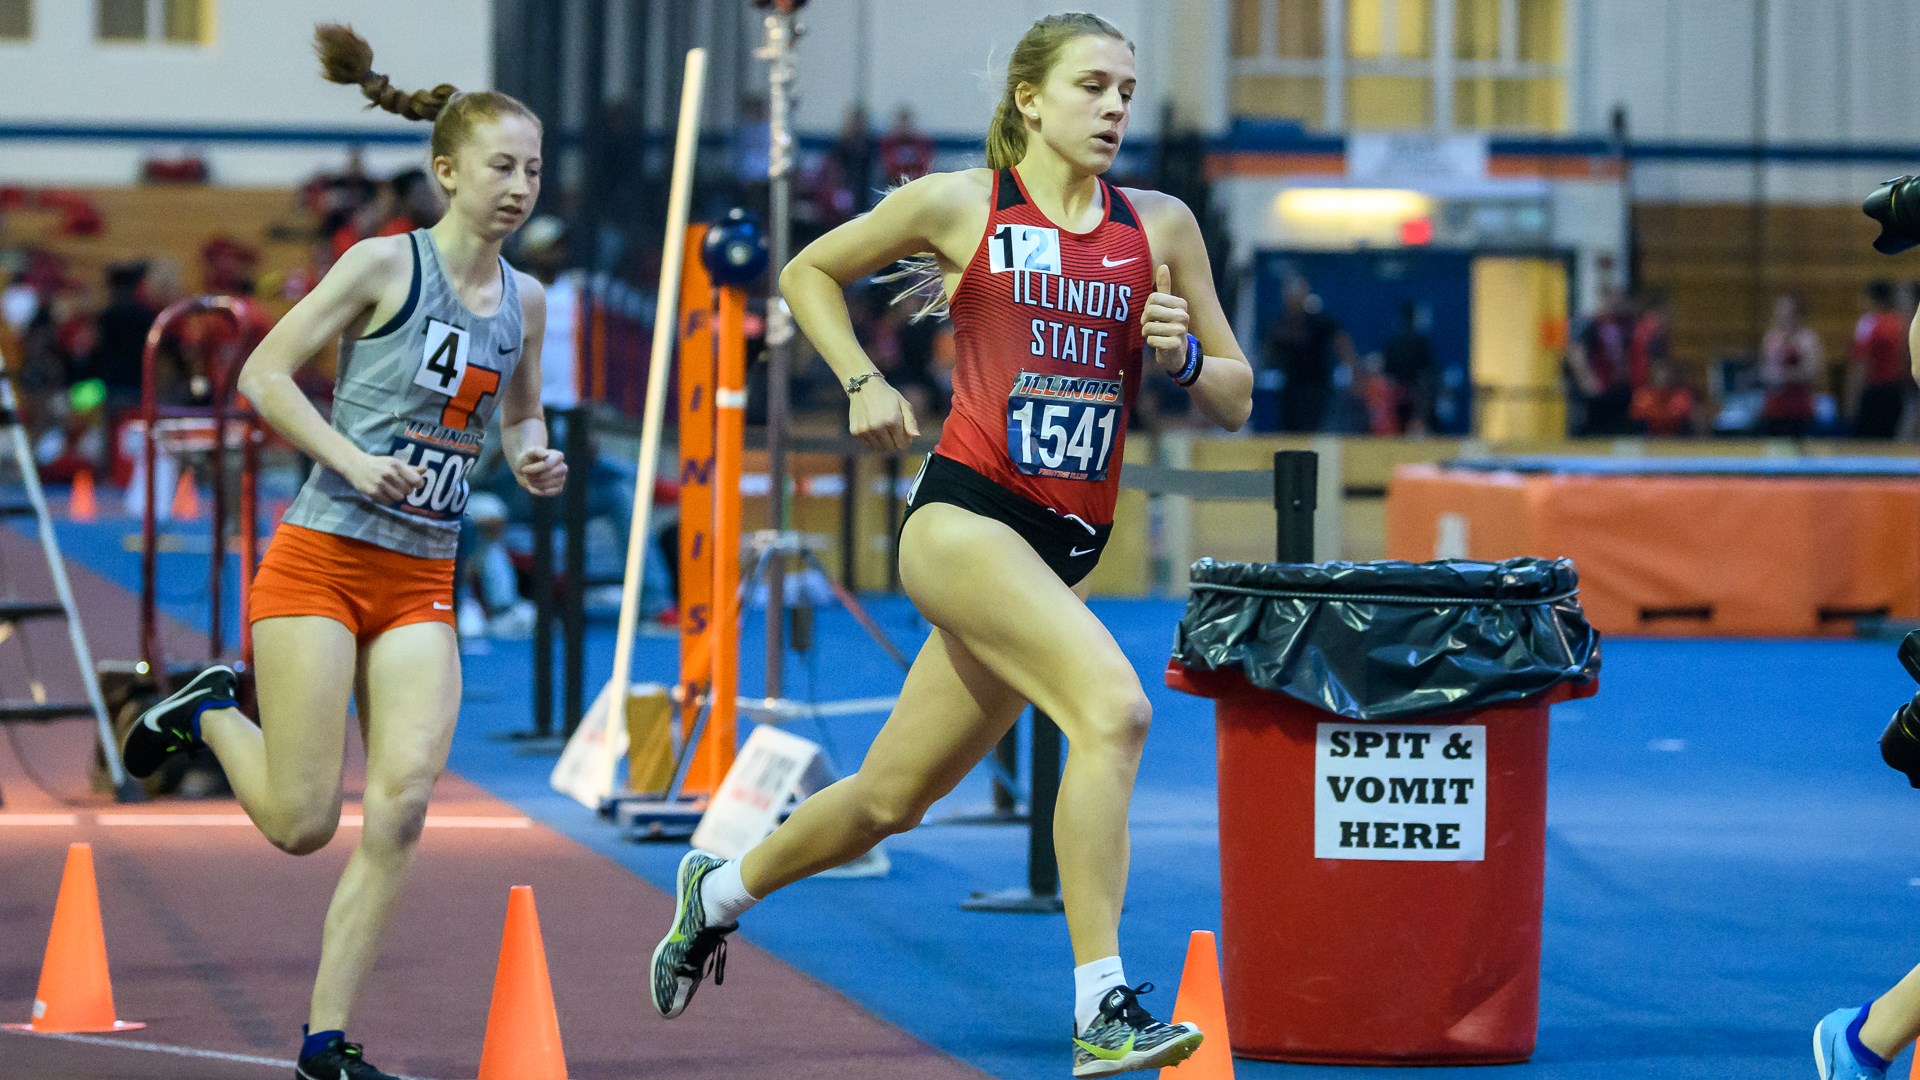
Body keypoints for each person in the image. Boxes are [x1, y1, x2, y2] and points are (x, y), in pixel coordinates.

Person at [647, 14, 1253, 1077]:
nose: (1116, 108)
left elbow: (1238, 399)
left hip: (1058, 552)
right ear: (1030, 99)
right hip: (963, 522)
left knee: (890, 800)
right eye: (1092, 87)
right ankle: (1103, 1005)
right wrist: (864, 381)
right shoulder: (962, 203)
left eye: (1127, 88)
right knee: (1113, 711)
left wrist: (1189, 358)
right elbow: (805, 273)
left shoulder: (1159, 226)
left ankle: (719, 892)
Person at [115, 25, 563, 1080]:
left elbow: (520, 421)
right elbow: (263, 378)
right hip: (322, 556)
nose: (520, 187)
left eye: (534, 170)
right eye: (501, 166)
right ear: (446, 171)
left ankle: (326, 1039)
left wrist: (534, 459)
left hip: (421, 579)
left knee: (402, 804)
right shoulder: (382, 265)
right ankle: (209, 711)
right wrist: (354, 463)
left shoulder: (531, 303)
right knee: (302, 821)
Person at [1264, 274, 1352, 433]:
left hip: (1318, 389)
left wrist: (1354, 372)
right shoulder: (1280, 324)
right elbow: (1268, 353)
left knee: (1316, 429)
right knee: (1291, 432)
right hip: (1291, 391)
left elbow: (1342, 345)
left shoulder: (1320, 323)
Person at [1566, 282, 1634, 436]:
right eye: (1610, 299)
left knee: (1617, 431)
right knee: (1594, 432)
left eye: (1617, 299)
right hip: (1597, 387)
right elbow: (1576, 351)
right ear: (1602, 300)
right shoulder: (1591, 323)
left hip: (1617, 387)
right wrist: (1586, 378)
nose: (1614, 303)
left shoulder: (1623, 324)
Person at [1849, 280, 1908, 439]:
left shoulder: (1869, 322)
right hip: (1895, 392)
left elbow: (1862, 363)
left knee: (1867, 444)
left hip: (1875, 393)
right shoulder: (1899, 322)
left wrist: (1853, 400)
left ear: (1872, 299)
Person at [1759, 293, 1822, 438]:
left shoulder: (1807, 339)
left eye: (1788, 311)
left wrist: (1784, 375)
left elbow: (1812, 373)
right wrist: (1766, 375)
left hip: (1798, 409)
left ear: (1797, 314)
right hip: (1774, 408)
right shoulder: (1771, 338)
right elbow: (1765, 368)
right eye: (1780, 311)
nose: (1784, 315)